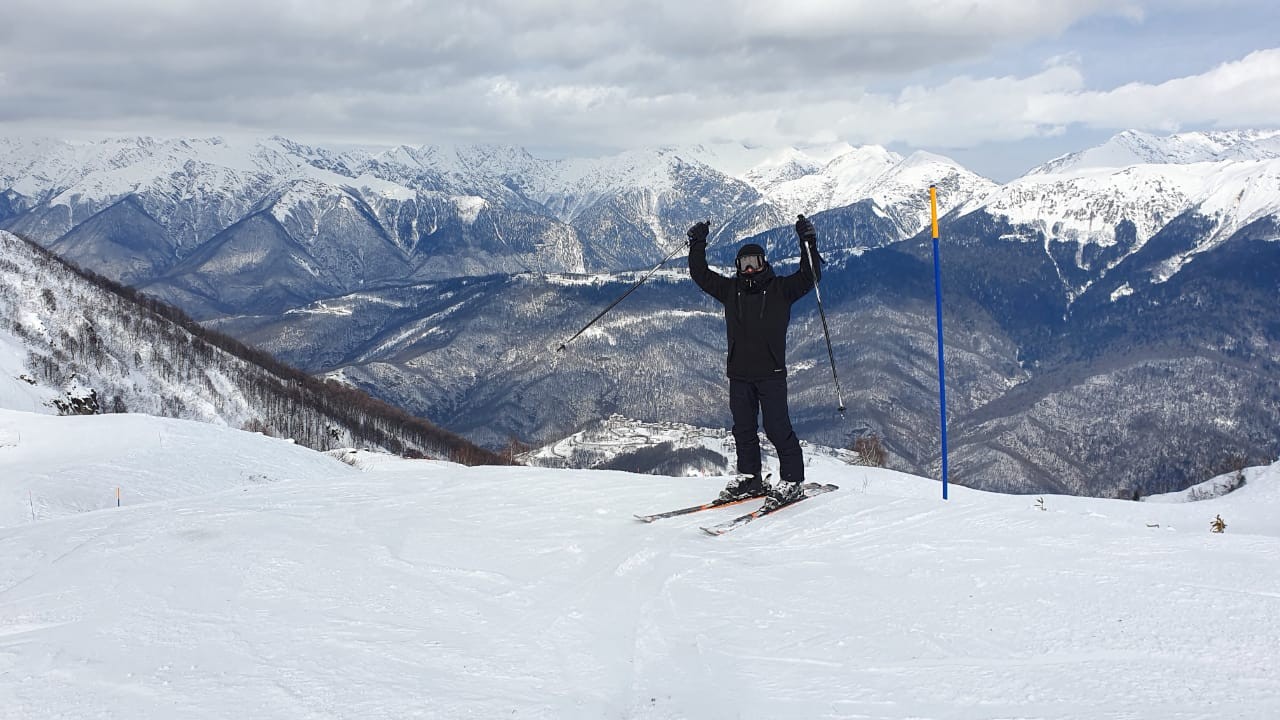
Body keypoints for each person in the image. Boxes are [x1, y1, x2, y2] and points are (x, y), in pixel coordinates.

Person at [687, 215, 822, 510]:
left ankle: (792, 480)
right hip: (739, 375)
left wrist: (808, 241)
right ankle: (750, 478)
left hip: (771, 374)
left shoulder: (781, 290)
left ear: (764, 263)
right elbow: (700, 274)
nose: (749, 268)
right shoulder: (730, 291)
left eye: (754, 262)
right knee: (743, 429)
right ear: (737, 266)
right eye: (744, 263)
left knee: (777, 428)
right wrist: (697, 243)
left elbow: (810, 275)